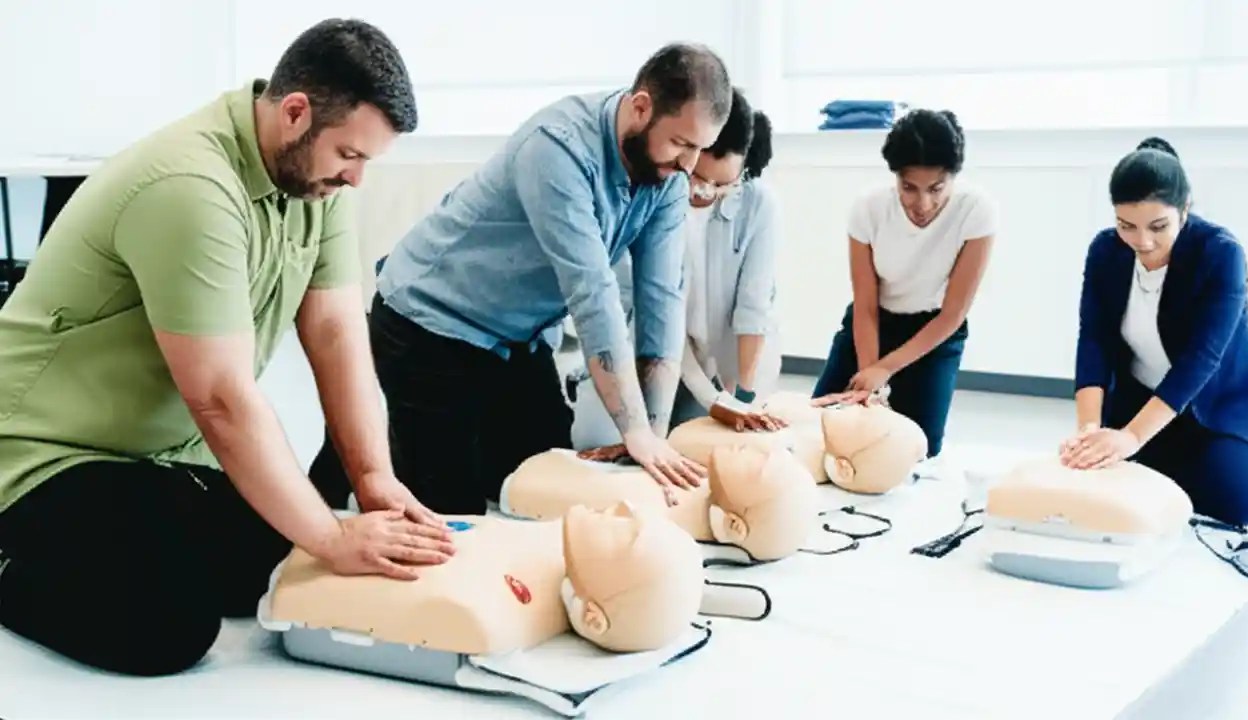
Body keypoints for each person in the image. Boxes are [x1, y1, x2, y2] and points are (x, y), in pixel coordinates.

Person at [0, 19, 454, 678]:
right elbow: (219, 398)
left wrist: (372, 479)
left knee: (275, 563)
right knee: (169, 626)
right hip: (46, 453)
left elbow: (335, 332)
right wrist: (329, 531)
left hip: (156, 454)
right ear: (295, 112)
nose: (357, 180)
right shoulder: (189, 186)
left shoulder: (314, 182)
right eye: (351, 156)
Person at [308, 43, 734, 516]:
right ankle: (324, 502)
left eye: (699, 149)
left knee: (543, 486)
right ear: (641, 107)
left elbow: (662, 301)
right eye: (680, 143)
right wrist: (631, 430)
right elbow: (593, 295)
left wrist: (650, 434)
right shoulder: (558, 147)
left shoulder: (666, 177)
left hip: (518, 338)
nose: (689, 167)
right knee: (449, 513)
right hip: (429, 325)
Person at [1060, 138, 1248, 528]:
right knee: (1113, 492)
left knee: (1229, 505)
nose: (1142, 241)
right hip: (1140, 399)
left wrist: (1132, 439)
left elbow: (1202, 359)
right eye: (1127, 226)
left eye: (1158, 226)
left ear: (1185, 208)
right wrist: (1089, 429)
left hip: (1218, 404)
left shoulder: (1221, 253)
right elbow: (1094, 340)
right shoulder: (1106, 251)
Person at [568, 88, 786, 441]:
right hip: (661, 349)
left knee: (719, 449)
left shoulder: (760, 203)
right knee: (611, 442)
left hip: (735, 361)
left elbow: (753, 310)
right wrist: (710, 398)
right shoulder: (651, 196)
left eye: (722, 184)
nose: (704, 193)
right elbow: (659, 310)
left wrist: (741, 397)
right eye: (698, 179)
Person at [811, 109, 998, 459]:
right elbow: (865, 305)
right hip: (873, 323)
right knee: (824, 426)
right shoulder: (868, 208)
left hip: (934, 331)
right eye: (909, 188)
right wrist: (870, 374)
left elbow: (953, 314)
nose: (922, 204)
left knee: (916, 449)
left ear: (953, 178)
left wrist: (885, 370)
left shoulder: (976, 211)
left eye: (936, 188)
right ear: (895, 177)